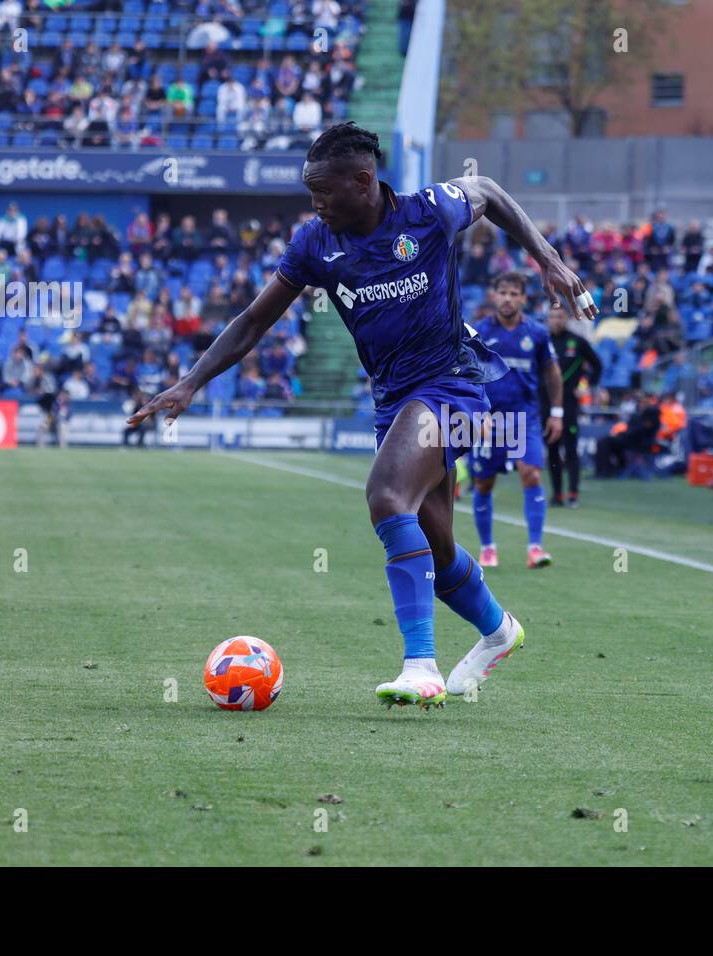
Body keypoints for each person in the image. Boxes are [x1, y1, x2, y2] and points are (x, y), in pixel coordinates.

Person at [126, 121, 597, 709]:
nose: (316, 205)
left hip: (454, 383)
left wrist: (548, 261)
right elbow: (252, 320)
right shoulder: (315, 244)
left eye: (324, 193)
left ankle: (419, 665)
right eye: (310, 194)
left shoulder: (429, 212)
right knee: (439, 548)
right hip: (394, 397)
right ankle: (499, 630)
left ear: (363, 181)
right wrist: (191, 381)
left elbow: (493, 192)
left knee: (385, 494)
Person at [469, 271, 563, 570]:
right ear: (493, 296)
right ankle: (487, 548)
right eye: (503, 293)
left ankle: (535, 548)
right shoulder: (479, 332)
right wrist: (475, 413)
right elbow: (468, 375)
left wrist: (558, 413)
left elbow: (552, 373)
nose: (508, 299)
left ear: (523, 298)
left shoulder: (536, 333)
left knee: (531, 473)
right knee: (483, 483)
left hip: (525, 417)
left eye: (514, 294)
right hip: (489, 419)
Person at [546, 300, 602, 507]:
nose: (556, 321)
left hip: (569, 402)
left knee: (570, 448)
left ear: (567, 319)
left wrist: (587, 386)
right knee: (551, 449)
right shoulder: (542, 340)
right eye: (552, 317)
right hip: (547, 403)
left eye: (560, 316)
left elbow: (597, 365)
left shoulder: (577, 342)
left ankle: (573, 493)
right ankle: (557, 494)